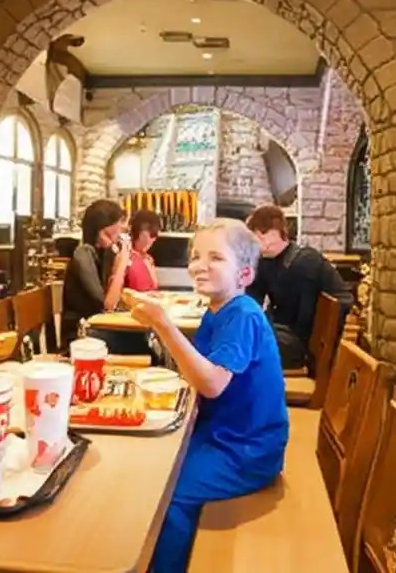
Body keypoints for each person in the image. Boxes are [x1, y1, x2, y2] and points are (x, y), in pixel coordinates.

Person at [128, 218, 289, 571]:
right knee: (149, 470)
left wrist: (164, 324)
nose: (200, 265)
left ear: (245, 275)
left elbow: (213, 383)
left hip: (248, 450)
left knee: (168, 494)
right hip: (221, 434)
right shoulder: (217, 310)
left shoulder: (242, 314)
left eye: (216, 258)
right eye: (196, 255)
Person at [245, 204, 354, 371]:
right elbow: (251, 299)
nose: (258, 241)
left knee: (241, 342)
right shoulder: (267, 261)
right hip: (285, 333)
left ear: (276, 233)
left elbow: (301, 323)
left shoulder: (304, 262)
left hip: (302, 346)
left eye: (261, 235)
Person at [60, 198, 126, 350]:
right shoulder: (83, 254)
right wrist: (122, 264)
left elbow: (112, 297)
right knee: (139, 343)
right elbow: (107, 304)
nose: (120, 229)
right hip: (81, 335)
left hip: (97, 327)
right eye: (109, 235)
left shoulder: (103, 253)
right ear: (98, 230)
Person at [122, 208, 160, 293]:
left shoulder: (148, 259)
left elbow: (154, 288)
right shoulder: (124, 257)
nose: (153, 239)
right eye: (152, 234)